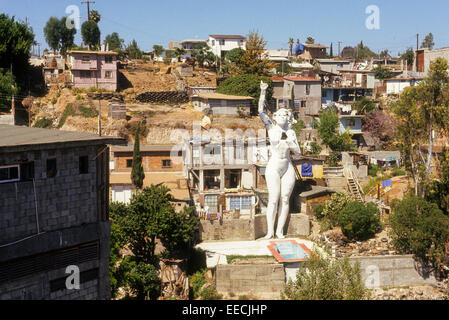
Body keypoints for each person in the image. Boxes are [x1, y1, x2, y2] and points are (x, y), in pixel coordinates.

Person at [258, 81, 301, 239]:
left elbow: (298, 151)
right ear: (275, 117)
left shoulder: (291, 132)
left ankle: (279, 231)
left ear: (288, 117)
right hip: (274, 166)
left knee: (285, 198)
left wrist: (291, 144)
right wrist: (263, 92)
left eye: (285, 114)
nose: (283, 116)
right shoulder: (271, 128)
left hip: (287, 165)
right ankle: (270, 231)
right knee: (274, 198)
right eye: (280, 114)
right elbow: (260, 112)